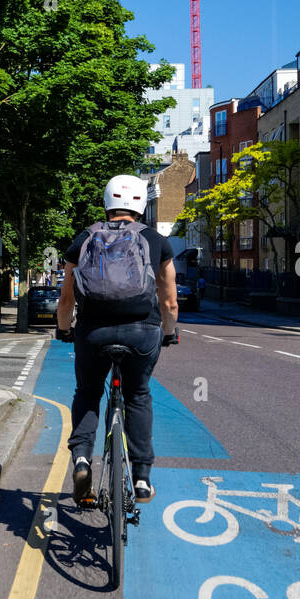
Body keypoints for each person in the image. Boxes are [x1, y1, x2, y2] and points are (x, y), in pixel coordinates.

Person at [56, 174, 178, 506]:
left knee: (88, 392)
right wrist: (169, 333)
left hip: (94, 332)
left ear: (107, 202)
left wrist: (65, 330)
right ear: (140, 203)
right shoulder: (157, 241)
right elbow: (169, 301)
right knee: (137, 395)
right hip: (142, 332)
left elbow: (66, 301)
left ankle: (82, 458)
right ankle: (141, 477)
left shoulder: (82, 239)